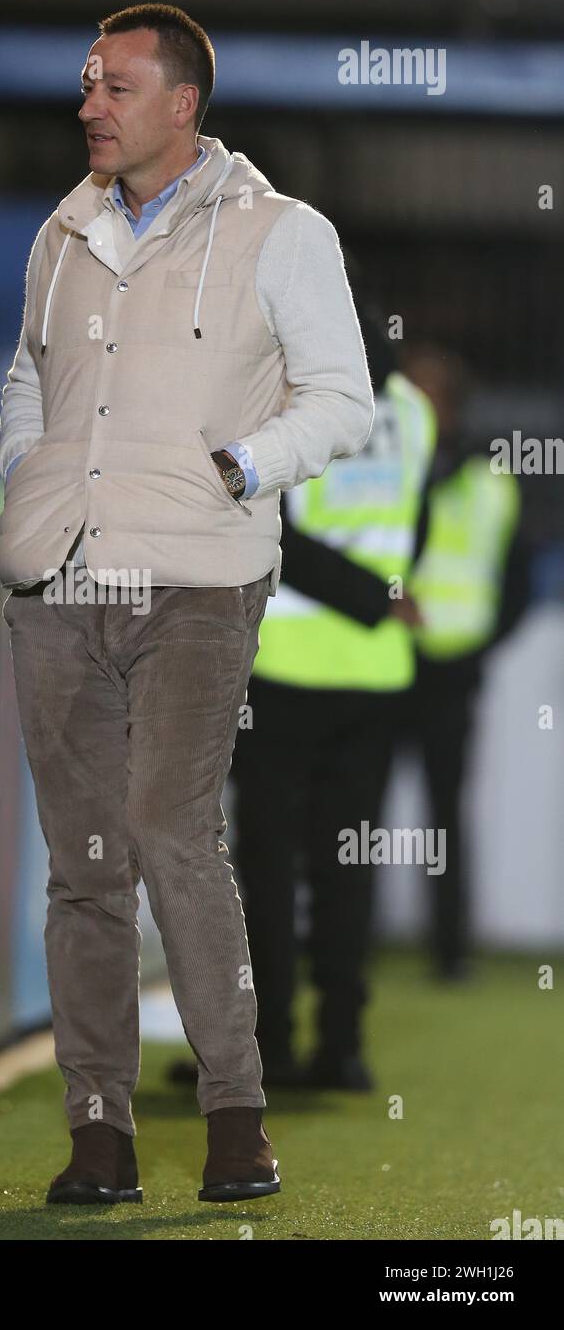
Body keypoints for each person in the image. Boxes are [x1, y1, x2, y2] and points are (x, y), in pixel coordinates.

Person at [0, 3, 373, 1204]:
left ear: (182, 105)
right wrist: (27, 467)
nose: (89, 106)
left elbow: (344, 399)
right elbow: (26, 372)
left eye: (113, 88)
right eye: (86, 85)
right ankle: (99, 1134)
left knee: (170, 834)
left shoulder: (284, 232)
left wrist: (239, 469)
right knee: (84, 866)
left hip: (202, 582)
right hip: (57, 577)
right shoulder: (63, 227)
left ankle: (234, 1117)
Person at [229, 308, 435, 1092]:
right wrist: (383, 599)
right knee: (347, 865)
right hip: (375, 677)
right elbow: (409, 527)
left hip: (283, 670)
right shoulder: (411, 406)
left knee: (268, 866)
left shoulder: (295, 402)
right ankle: (343, 1046)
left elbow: (275, 529)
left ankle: (270, 1047)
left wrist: (366, 597)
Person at [402, 345, 526, 980]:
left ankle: (451, 950)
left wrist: (479, 643)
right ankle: (337, 945)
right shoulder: (392, 469)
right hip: (387, 660)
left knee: (444, 812)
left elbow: (517, 581)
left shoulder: (488, 481)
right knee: (350, 812)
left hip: (449, 672)